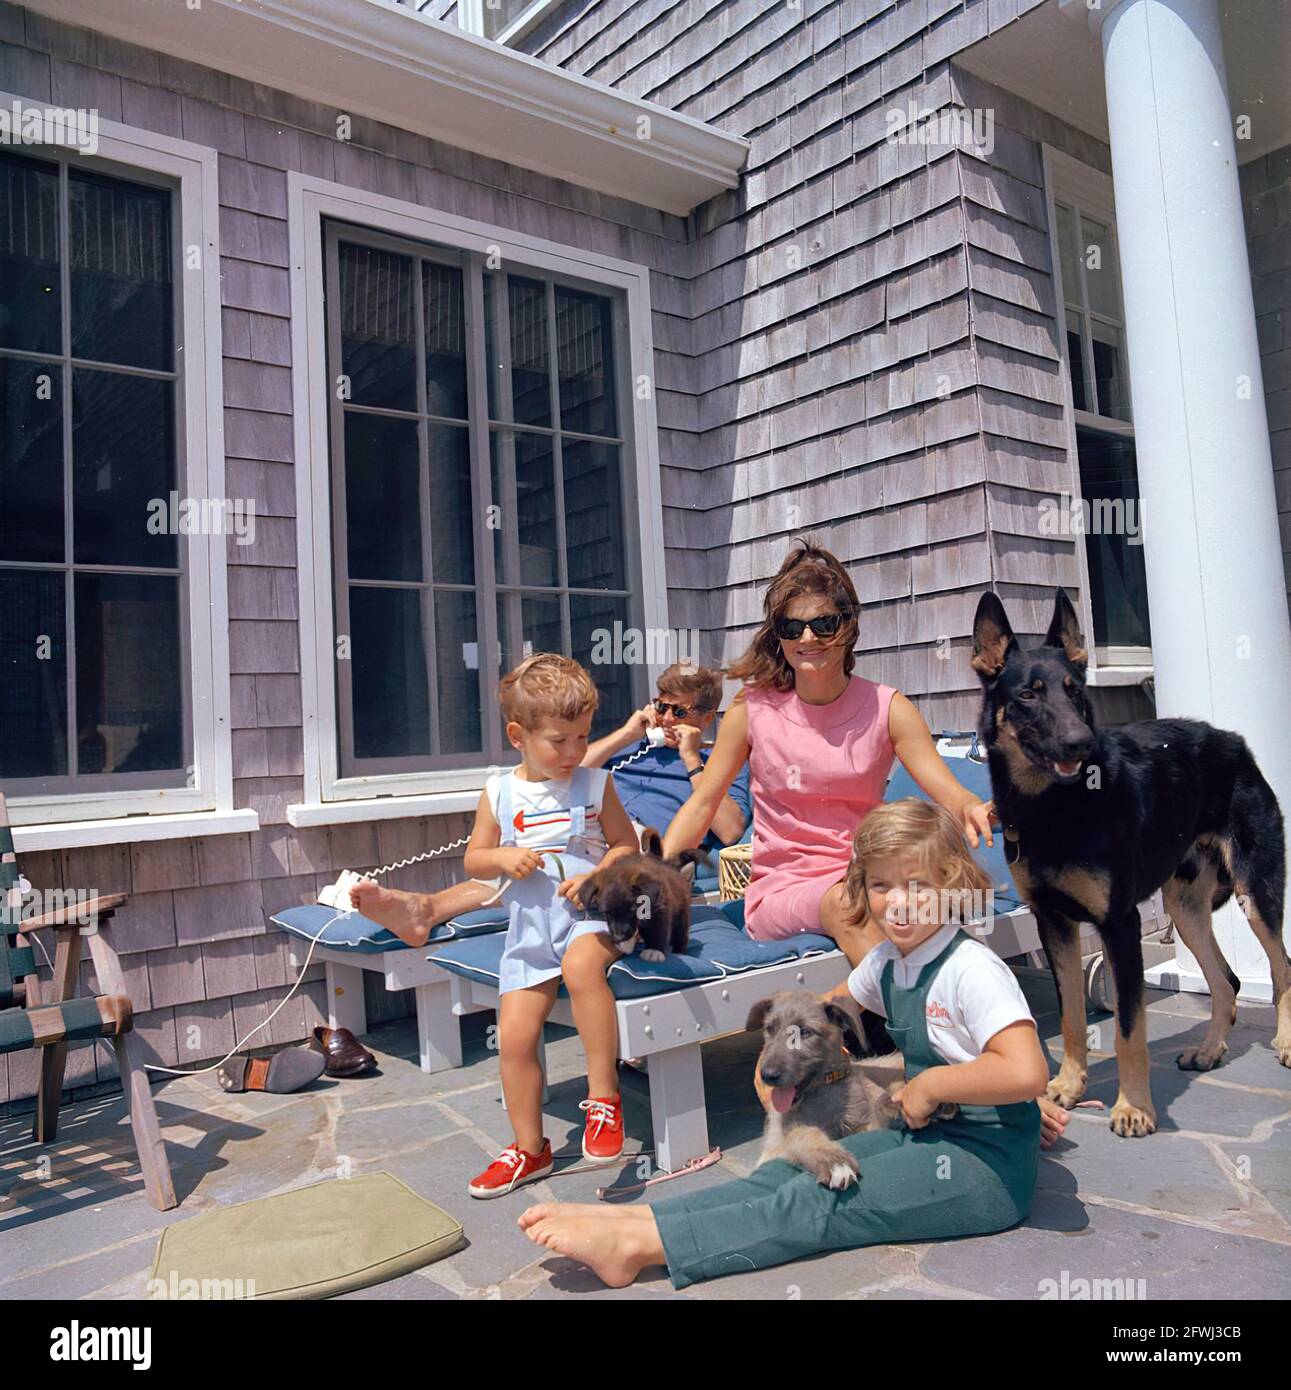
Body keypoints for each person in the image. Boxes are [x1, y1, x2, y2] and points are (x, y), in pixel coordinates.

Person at [517, 799, 1049, 1288]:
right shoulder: (890, 961)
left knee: (821, 1202)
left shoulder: (970, 968)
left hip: (986, 1168)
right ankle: (643, 1218)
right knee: (793, 1165)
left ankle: (642, 1246)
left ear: (953, 883)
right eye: (882, 886)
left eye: (918, 884)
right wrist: (775, 1059)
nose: (899, 904)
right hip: (928, 1137)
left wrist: (933, 1083)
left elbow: (1027, 1072)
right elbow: (821, 1007)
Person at [661, 539, 993, 965]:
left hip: (871, 875)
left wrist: (971, 806)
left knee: (926, 899)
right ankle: (904, 1021)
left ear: (848, 627)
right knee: (850, 903)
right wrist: (654, 867)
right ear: (777, 636)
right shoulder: (753, 709)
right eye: (791, 627)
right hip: (786, 888)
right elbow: (704, 802)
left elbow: (949, 792)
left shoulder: (889, 709)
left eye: (823, 624)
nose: (807, 637)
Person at [452, 654, 640, 1198]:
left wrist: (600, 875)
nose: (574, 752)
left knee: (583, 968)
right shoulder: (499, 792)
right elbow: (474, 859)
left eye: (582, 738)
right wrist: (503, 858)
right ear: (519, 734)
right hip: (531, 930)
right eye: (560, 740)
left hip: (591, 916)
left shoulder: (594, 785)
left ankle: (604, 1099)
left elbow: (625, 844)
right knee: (513, 1037)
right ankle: (529, 1148)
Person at [584, 661, 751, 861]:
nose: (667, 718)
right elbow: (566, 771)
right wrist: (626, 734)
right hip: (595, 839)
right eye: (661, 707)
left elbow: (730, 831)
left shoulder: (719, 761)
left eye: (679, 712)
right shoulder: (629, 746)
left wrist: (691, 759)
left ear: (706, 719)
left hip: (647, 853)